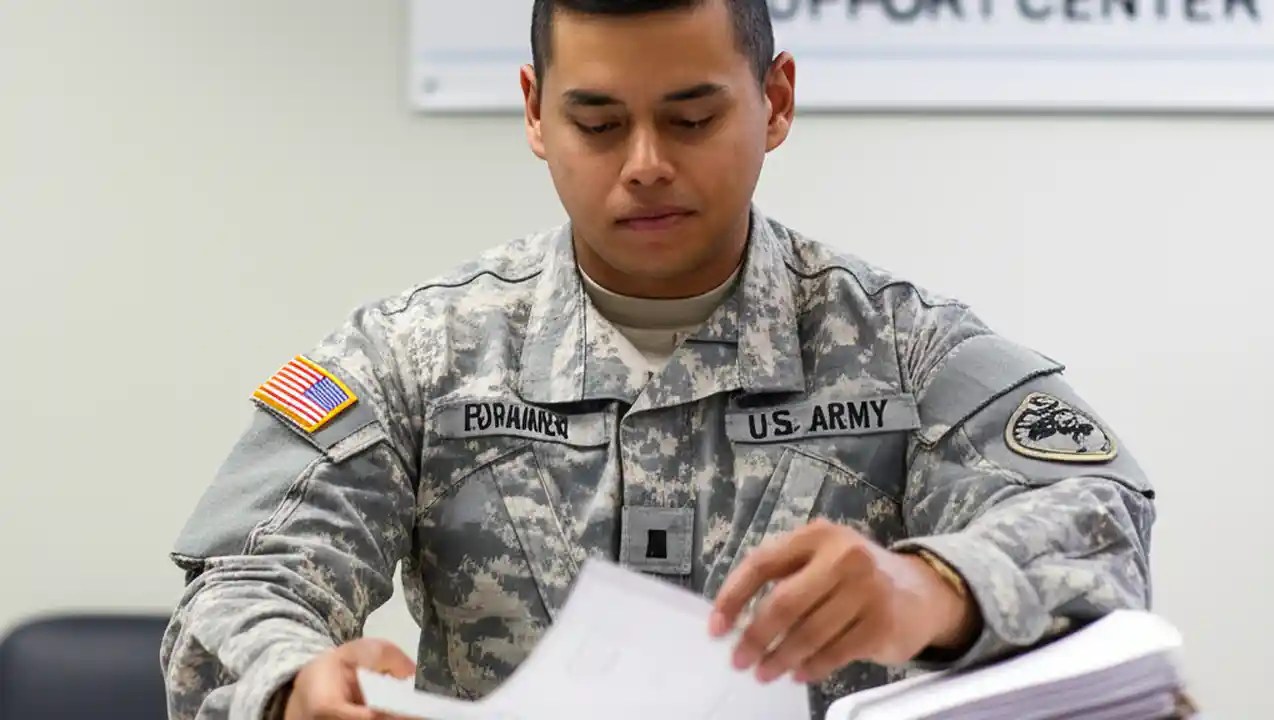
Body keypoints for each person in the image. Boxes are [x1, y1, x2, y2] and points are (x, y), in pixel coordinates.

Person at [160, 1, 1156, 718]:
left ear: (773, 101)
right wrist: (295, 684)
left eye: (690, 118)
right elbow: (245, 580)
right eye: (597, 122)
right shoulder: (420, 356)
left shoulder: (902, 348)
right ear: (534, 114)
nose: (643, 162)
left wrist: (934, 588)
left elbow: (1095, 521)